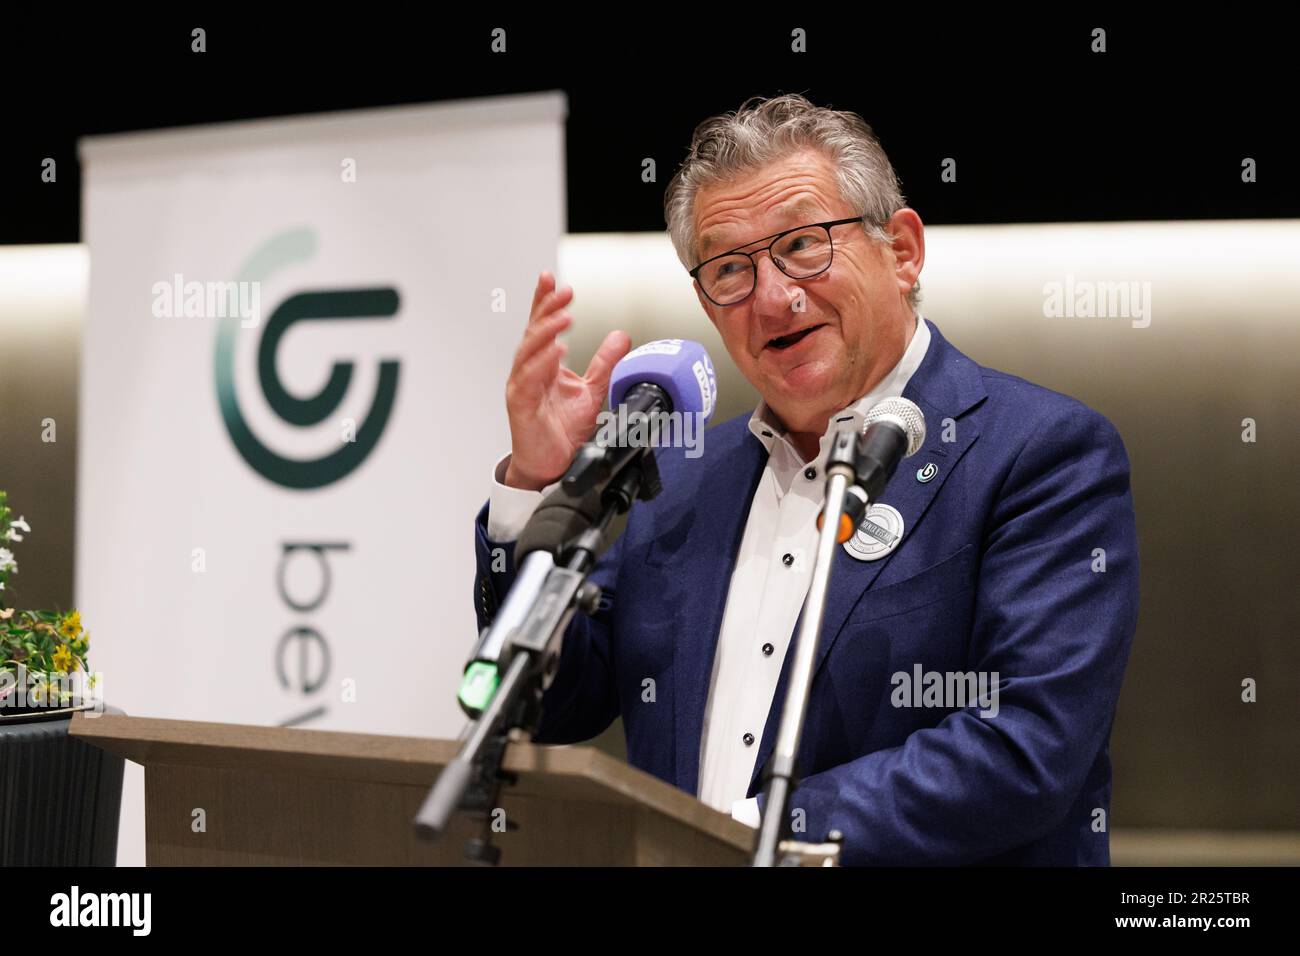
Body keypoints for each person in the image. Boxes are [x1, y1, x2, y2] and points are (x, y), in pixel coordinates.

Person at [473, 94, 1139, 865]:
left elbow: (1027, 744)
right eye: (730, 268)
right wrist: (536, 483)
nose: (771, 296)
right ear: (705, 304)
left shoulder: (1039, 453)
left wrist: (755, 833)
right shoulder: (683, 480)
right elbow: (548, 705)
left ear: (903, 249)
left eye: (803, 244)